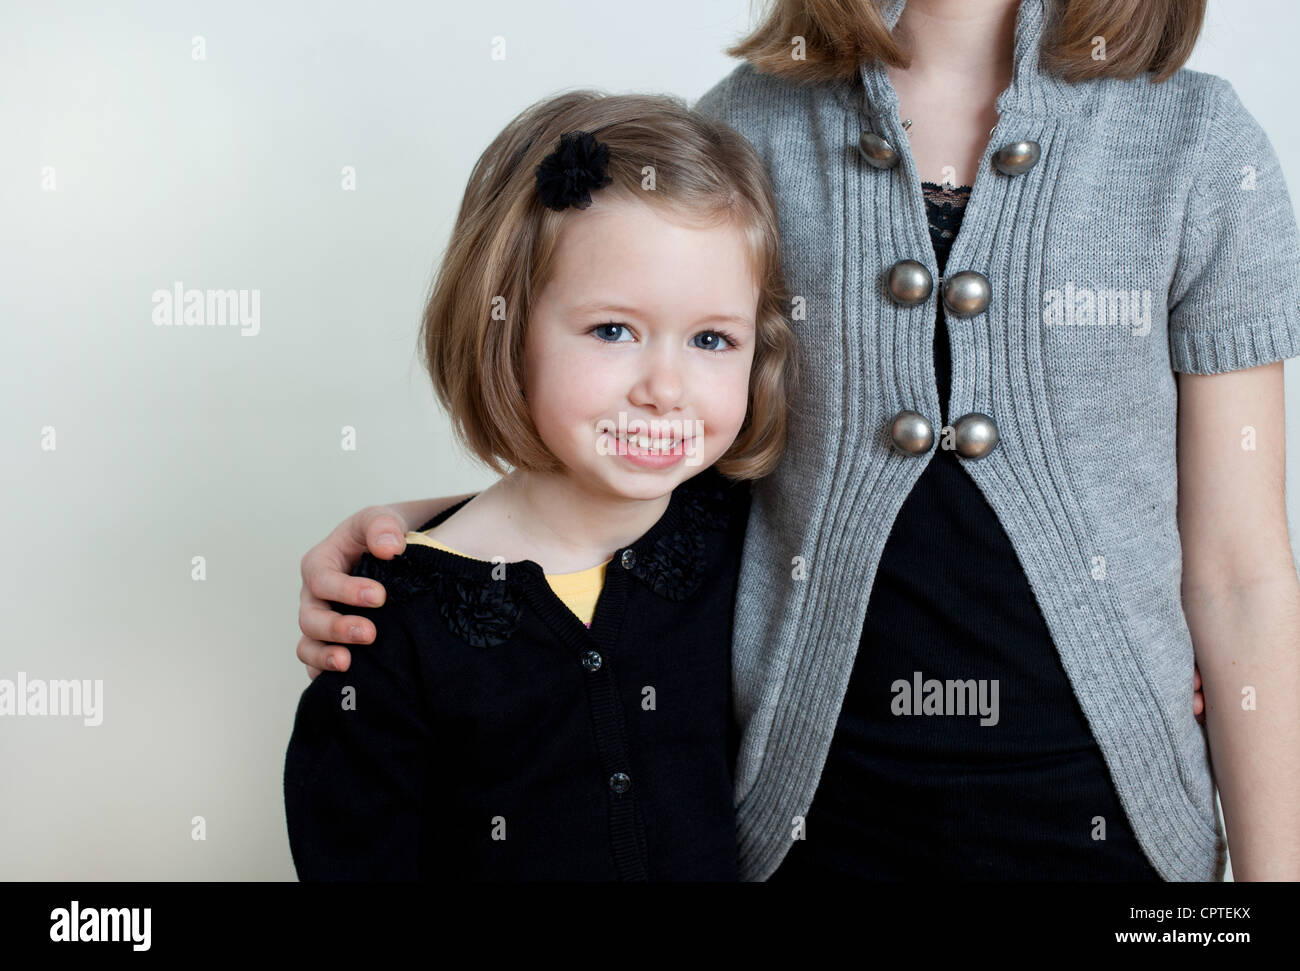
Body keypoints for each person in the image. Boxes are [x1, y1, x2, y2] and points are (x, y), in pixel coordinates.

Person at [296, 0, 1300, 881]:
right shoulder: (742, 130)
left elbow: (1241, 572)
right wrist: (437, 541)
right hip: (807, 830)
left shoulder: (1196, 144)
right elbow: (672, 443)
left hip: (1114, 827)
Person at [283, 90, 799, 880]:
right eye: (612, 330)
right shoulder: (388, 625)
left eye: (710, 338)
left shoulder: (745, 537)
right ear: (505, 327)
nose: (666, 386)